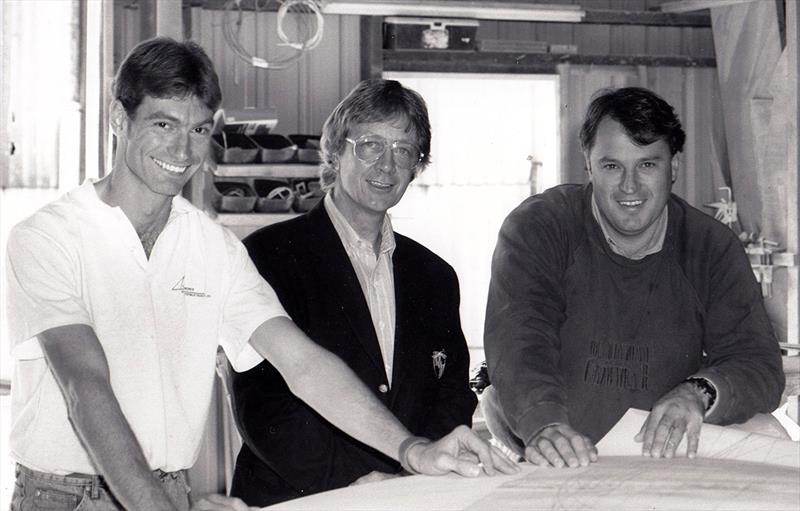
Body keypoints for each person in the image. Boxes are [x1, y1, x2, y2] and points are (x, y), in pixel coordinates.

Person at [5, 38, 516, 511]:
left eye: (199, 129)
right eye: (164, 124)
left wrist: (411, 451)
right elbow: (85, 387)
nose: (183, 151)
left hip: (169, 491)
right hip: (66, 496)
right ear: (119, 117)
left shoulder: (211, 247)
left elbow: (304, 366)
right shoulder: (50, 237)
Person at [482, 86, 785, 469]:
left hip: (662, 448)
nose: (630, 187)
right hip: (549, 439)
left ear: (673, 166)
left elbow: (758, 362)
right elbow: (519, 341)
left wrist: (698, 392)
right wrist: (545, 424)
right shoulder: (540, 226)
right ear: (588, 164)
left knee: (768, 432)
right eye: (612, 166)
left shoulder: (711, 245)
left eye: (647, 165)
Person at [229, 79, 478, 506]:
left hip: (409, 495)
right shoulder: (267, 256)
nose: (386, 165)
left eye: (404, 151)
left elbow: (452, 392)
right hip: (301, 498)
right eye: (369, 145)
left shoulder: (436, 276)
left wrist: (407, 477)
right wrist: (358, 482)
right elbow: (264, 405)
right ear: (335, 150)